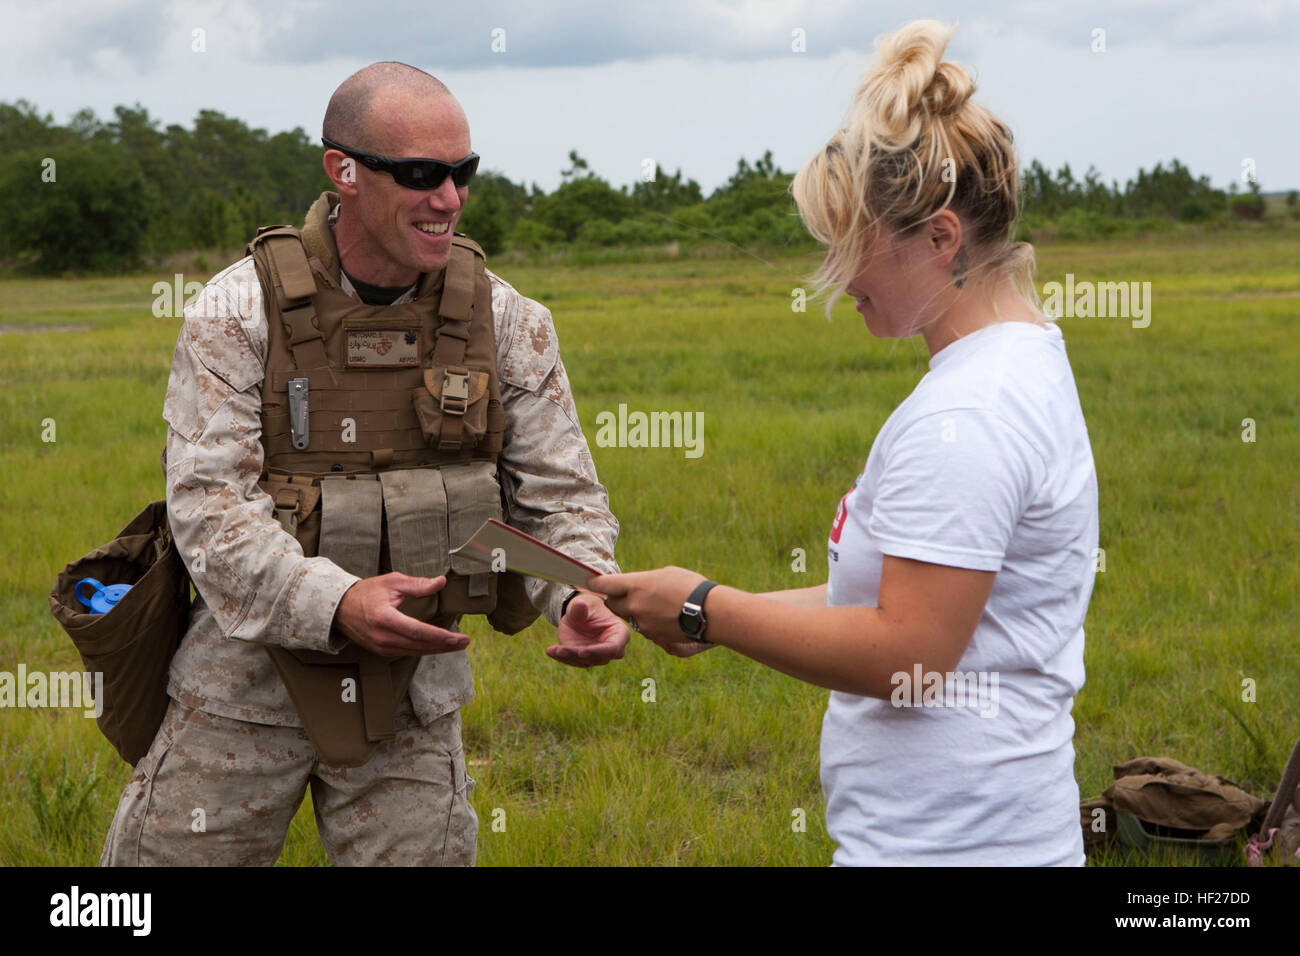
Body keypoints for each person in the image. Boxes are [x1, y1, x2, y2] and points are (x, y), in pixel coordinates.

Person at [589, 20, 1098, 866]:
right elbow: (900, 602)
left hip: (953, 849)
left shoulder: (966, 414)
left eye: (850, 246)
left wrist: (706, 609)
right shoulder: (1017, 364)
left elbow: (910, 653)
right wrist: (711, 609)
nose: (835, 276)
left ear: (941, 239)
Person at [100, 62, 629, 866]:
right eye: (420, 174)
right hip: (242, 685)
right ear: (342, 171)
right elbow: (210, 509)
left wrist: (580, 591)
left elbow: (561, 498)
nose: (448, 197)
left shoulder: (508, 321)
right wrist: (339, 602)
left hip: (411, 692)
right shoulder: (238, 311)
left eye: (462, 172)